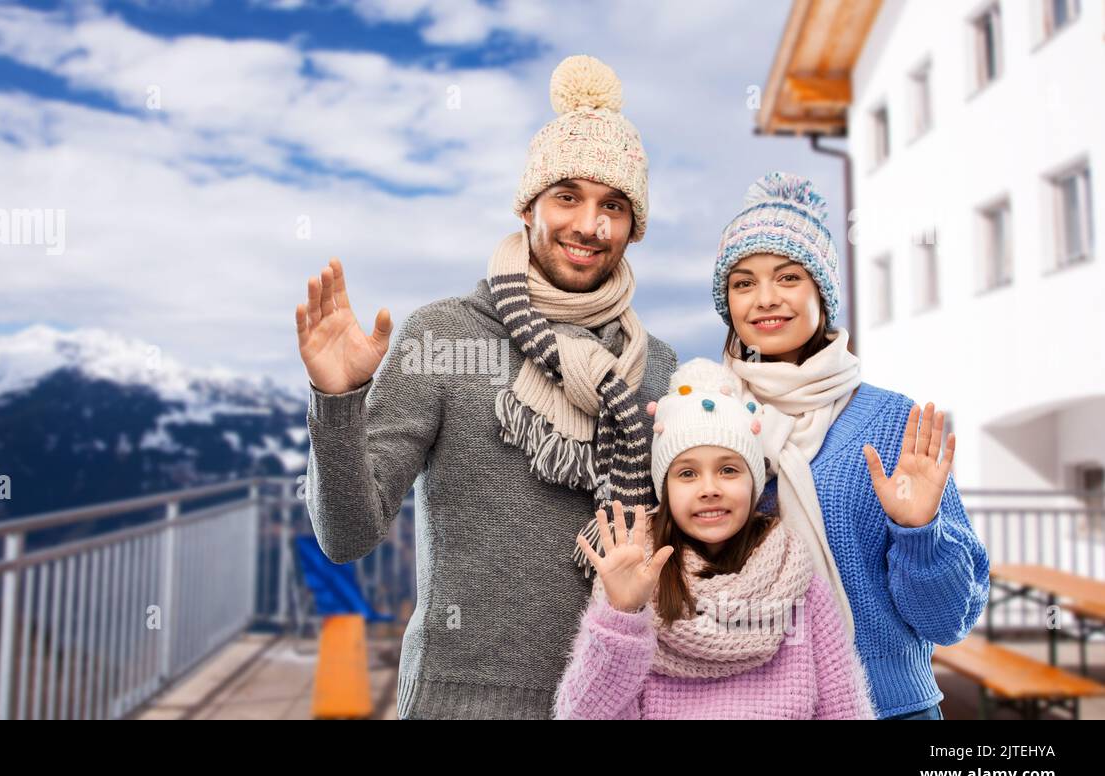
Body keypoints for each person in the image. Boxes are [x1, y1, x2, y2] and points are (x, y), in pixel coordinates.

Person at [295, 55, 677, 719]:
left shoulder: (658, 367)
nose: (590, 225)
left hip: (617, 701)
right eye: (568, 197)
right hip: (457, 704)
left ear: (632, 226)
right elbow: (347, 535)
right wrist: (337, 404)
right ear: (529, 206)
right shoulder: (443, 335)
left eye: (613, 205)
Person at [710, 172, 989, 719]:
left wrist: (918, 533)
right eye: (743, 283)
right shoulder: (714, 420)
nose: (765, 298)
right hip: (750, 705)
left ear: (822, 291)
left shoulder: (891, 422)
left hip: (886, 707)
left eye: (787, 277)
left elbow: (948, 621)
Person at [554, 358, 876, 719]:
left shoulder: (800, 588)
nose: (709, 489)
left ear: (753, 482)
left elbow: (845, 711)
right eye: (688, 473)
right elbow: (582, 714)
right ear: (665, 489)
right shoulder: (638, 585)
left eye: (728, 470)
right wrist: (623, 614)